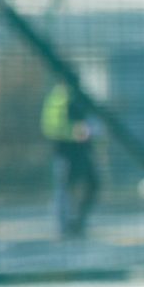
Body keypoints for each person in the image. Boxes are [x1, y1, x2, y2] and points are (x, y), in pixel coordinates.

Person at [41, 82, 99, 238]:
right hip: (64, 152)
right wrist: (73, 132)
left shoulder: (82, 97)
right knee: (64, 189)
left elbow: (94, 121)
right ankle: (63, 229)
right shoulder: (56, 99)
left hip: (83, 151)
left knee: (92, 185)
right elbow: (51, 127)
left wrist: (91, 131)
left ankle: (78, 224)